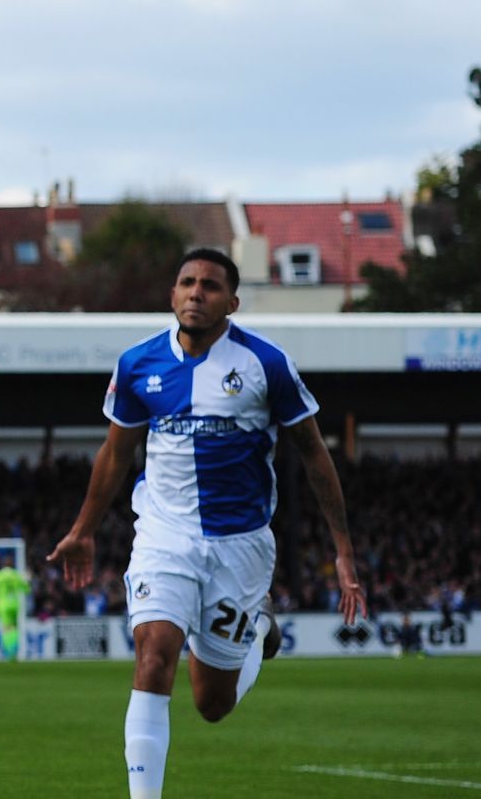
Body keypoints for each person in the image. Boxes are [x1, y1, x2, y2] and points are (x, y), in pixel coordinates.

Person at [47, 247, 365, 799]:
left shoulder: (266, 364)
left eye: (211, 285)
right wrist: (83, 530)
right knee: (153, 657)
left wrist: (343, 551)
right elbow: (116, 454)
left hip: (239, 545)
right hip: (164, 535)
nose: (196, 292)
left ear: (232, 302)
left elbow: (315, 454)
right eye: (187, 282)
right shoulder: (138, 364)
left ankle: (259, 628)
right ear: (172, 295)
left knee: (212, 703)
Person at [0, 565, 31, 661]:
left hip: (3, 605)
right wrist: (27, 580)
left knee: (6, 628)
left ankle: (9, 652)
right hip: (15, 604)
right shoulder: (16, 575)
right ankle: (14, 648)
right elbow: (26, 589)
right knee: (15, 628)